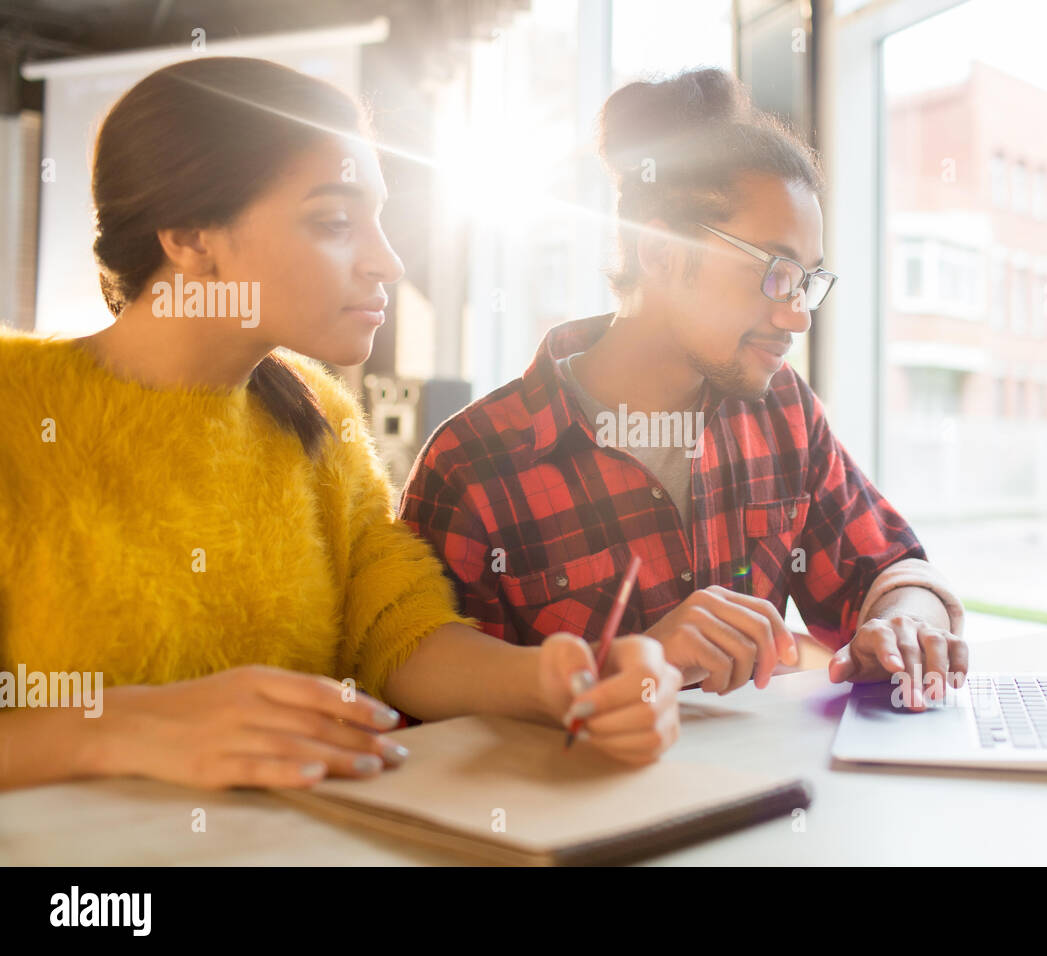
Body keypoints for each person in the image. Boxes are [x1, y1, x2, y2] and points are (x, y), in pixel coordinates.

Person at [0, 57, 681, 792]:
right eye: (333, 221)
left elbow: (398, 635)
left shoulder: (317, 417)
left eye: (379, 218)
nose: (386, 261)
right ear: (190, 236)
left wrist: (556, 680)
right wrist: (123, 728)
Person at [401, 69, 968, 709]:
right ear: (661, 250)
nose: (798, 315)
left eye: (807, 280)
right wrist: (636, 669)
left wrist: (905, 622)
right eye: (775, 272)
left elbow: (890, 568)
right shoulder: (474, 464)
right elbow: (430, 709)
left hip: (768, 799)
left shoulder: (783, 412)